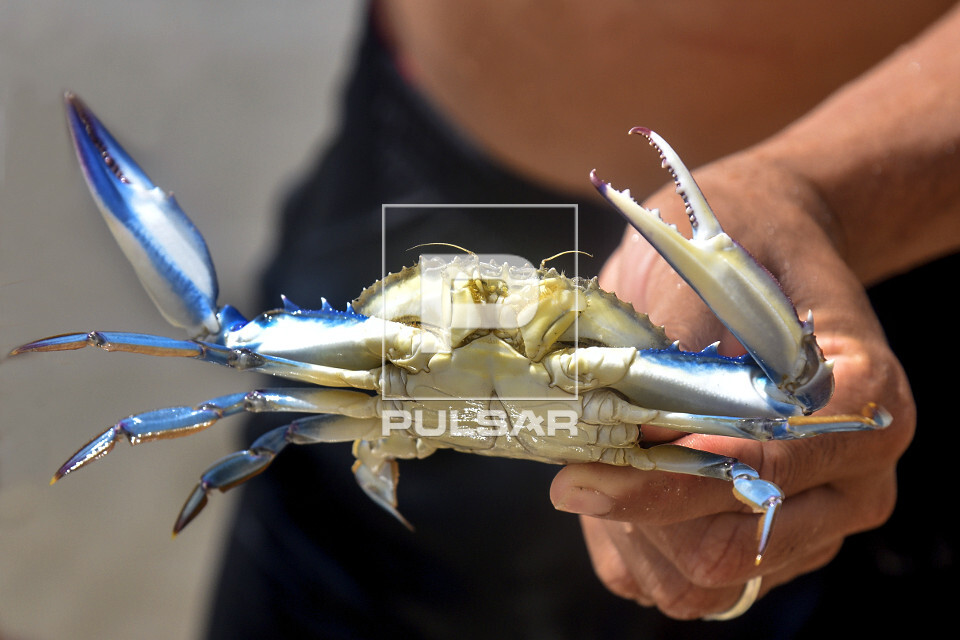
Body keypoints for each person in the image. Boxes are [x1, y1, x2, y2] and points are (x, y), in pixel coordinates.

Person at [206, 2, 960, 637]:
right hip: (409, 152)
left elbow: (792, 396)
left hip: (849, 239)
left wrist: (821, 196)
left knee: (793, 484)